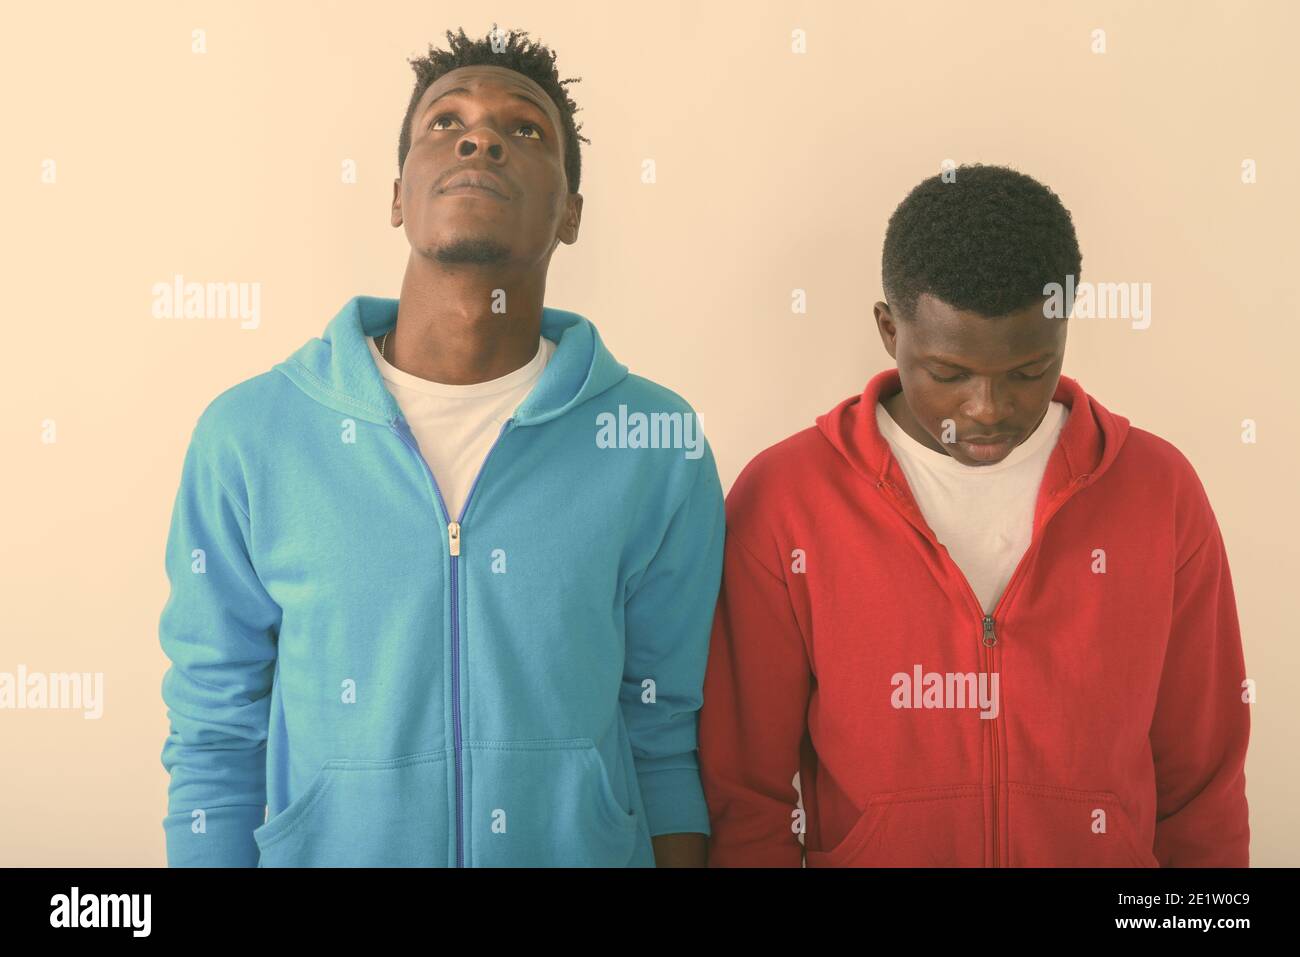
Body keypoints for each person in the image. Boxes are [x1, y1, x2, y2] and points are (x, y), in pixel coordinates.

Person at [159, 25, 722, 868]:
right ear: (397, 196)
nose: (481, 135)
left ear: (571, 213)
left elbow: (665, 731)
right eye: (444, 121)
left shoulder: (655, 443)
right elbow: (214, 735)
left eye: (525, 128)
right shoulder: (251, 436)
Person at [699, 164, 1250, 867]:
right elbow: (748, 796)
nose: (987, 409)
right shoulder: (785, 500)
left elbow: (1202, 787)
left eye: (1027, 371)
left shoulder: (1159, 493)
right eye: (950, 373)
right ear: (888, 328)